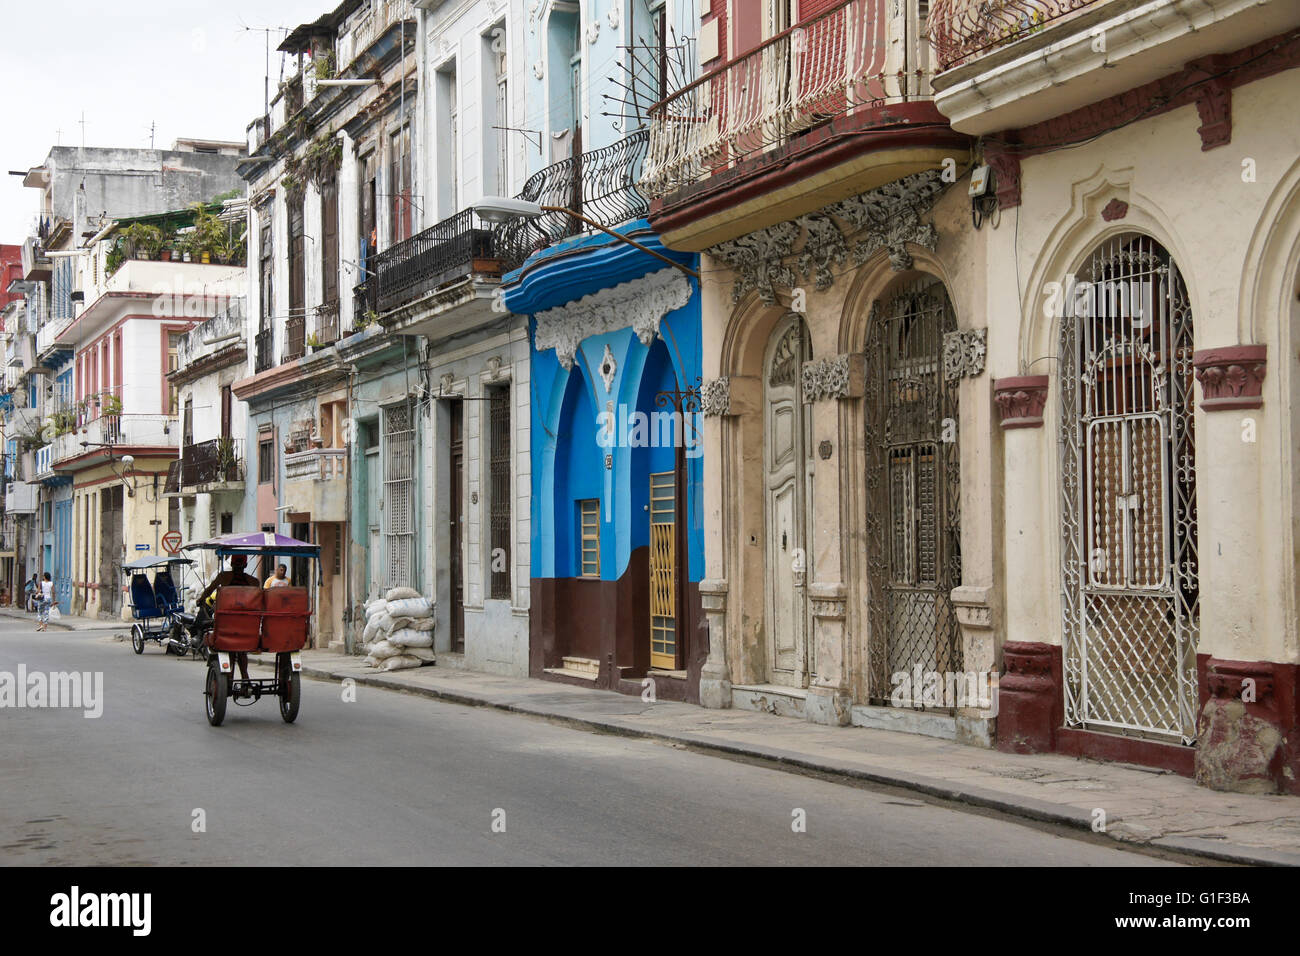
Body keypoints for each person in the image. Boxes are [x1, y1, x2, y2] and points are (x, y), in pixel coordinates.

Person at [198, 555, 260, 681]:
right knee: (242, 651)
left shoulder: (223, 576)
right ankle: (245, 677)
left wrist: (201, 599)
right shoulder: (254, 581)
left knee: (229, 648)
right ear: (246, 565)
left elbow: (209, 590)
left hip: (227, 621)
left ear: (231, 565)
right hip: (246, 623)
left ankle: (230, 676)